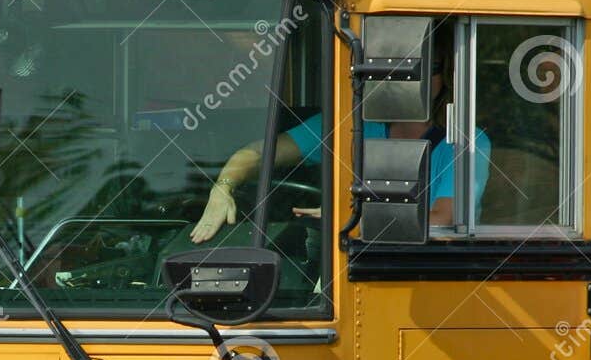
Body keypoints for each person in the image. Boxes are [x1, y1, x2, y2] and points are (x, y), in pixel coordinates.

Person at [191, 47, 490, 240]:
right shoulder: (350, 123)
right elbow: (258, 153)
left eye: (431, 67)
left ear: (447, 74)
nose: (415, 76)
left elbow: (443, 220)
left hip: (419, 270)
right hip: (344, 258)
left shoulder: (465, 140)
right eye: (406, 65)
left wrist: (349, 219)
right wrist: (223, 187)